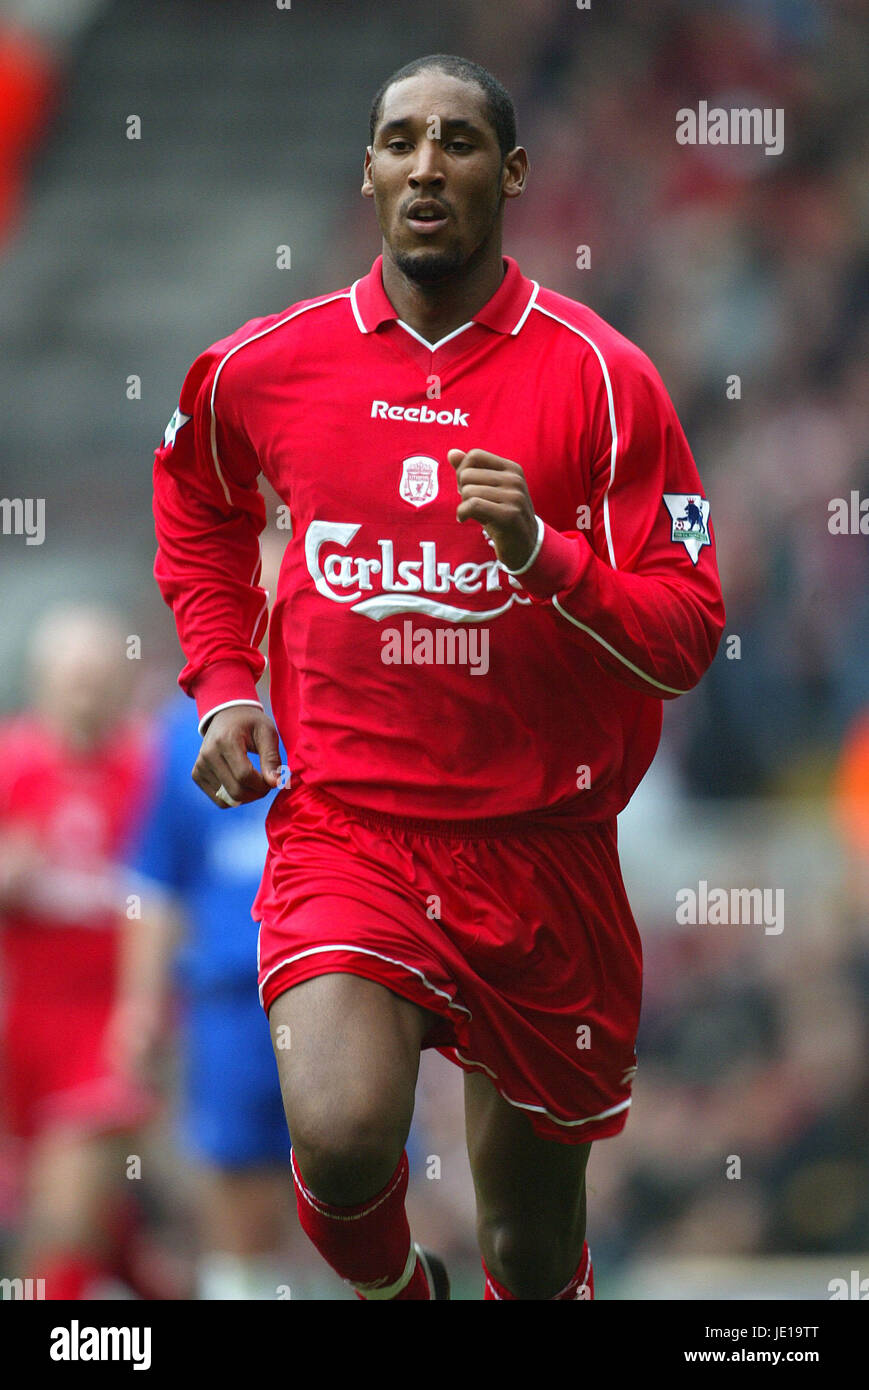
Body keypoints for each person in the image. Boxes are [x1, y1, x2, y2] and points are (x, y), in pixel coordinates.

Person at [151, 53, 725, 1300]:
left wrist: (541, 555)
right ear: (365, 170)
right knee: (344, 1138)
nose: (425, 164)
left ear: (511, 174)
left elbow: (684, 634)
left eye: (458, 142)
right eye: (398, 139)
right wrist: (222, 681)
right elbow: (196, 500)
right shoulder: (265, 368)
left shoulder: (604, 381)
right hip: (348, 832)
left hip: (543, 850)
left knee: (524, 1249)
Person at [110, 533, 307, 1300]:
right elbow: (154, 887)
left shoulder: (348, 712)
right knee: (233, 1189)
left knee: (360, 1179)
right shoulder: (175, 732)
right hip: (231, 998)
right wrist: (137, 1006)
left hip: (351, 982)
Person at [0, 604, 155, 1299]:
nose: (87, 694)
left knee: (64, 1218)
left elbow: (173, 898)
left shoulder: (150, 775)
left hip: (106, 1024)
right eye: (73, 679)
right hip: (20, 1023)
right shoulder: (10, 766)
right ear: (42, 683)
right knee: (71, 1215)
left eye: (100, 678)